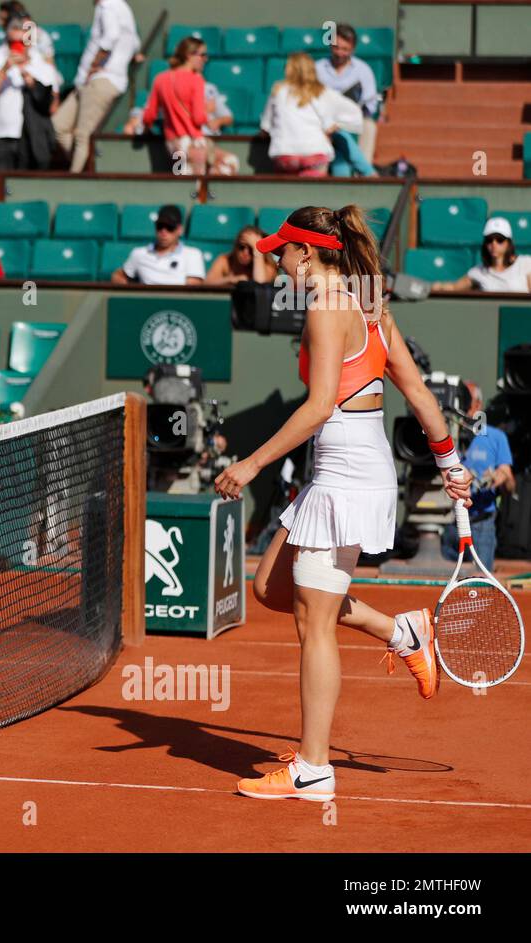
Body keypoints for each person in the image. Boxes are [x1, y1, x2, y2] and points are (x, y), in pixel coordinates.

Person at [216, 205, 472, 801]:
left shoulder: (330, 308)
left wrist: (251, 462)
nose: (277, 262)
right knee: (271, 589)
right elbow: (417, 392)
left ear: (308, 253)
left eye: (283, 251)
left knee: (314, 620)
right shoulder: (371, 305)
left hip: (346, 475)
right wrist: (450, 462)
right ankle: (402, 630)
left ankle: (313, 769)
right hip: (346, 470)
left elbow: (318, 407)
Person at [54, 0, 139, 173]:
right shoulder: (121, 7)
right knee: (57, 126)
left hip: (100, 80)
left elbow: (111, 36)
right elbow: (134, 42)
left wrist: (94, 64)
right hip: (88, 82)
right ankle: (88, 163)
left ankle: (75, 179)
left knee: (83, 137)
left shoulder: (108, 5)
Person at [442, 383, 514, 565]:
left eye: (468, 403)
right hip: (451, 523)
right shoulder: (447, 434)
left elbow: (509, 479)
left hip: (481, 524)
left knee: (479, 584)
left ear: (478, 405)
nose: (463, 409)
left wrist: (499, 476)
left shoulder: (496, 437)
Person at [261, 52, 362, 178]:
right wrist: (334, 126)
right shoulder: (322, 92)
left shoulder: (278, 91)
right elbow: (354, 112)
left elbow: (265, 127)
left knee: (286, 193)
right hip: (315, 154)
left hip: (284, 155)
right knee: (314, 195)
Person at [0, 17, 60, 170]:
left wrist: (29, 79)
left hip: (33, 140)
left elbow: (53, 106)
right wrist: (4, 70)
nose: (16, 47)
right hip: (1, 137)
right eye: (12, 43)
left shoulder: (44, 67)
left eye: (21, 42)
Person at [128, 36, 209, 176]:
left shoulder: (160, 78)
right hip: (193, 141)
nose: (205, 59)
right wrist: (206, 113)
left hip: (173, 143)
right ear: (189, 55)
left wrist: (146, 127)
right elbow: (198, 118)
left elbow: (149, 116)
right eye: (202, 55)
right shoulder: (197, 79)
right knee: (197, 186)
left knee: (179, 179)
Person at [315, 24, 380, 174]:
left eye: (345, 49)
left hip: (352, 120)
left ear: (353, 49)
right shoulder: (317, 68)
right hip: (323, 121)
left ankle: (361, 174)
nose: (339, 53)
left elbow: (370, 106)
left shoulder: (363, 70)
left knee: (369, 126)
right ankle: (367, 172)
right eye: (336, 48)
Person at [432, 217, 531, 293]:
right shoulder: (478, 272)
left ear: (509, 243)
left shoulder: (526, 263)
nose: (494, 244)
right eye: (489, 240)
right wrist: (434, 286)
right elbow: (453, 287)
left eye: (499, 240)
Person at [113, 205, 203, 285]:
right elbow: (119, 275)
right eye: (160, 226)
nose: (163, 232)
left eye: (169, 227)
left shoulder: (193, 254)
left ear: (180, 230)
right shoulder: (139, 253)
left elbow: (193, 288)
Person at [205, 225, 277, 286]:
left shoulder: (268, 264)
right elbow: (206, 283)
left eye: (251, 249)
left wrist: (257, 250)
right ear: (236, 247)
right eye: (242, 247)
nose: (245, 252)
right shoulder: (226, 260)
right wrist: (231, 280)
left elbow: (260, 284)